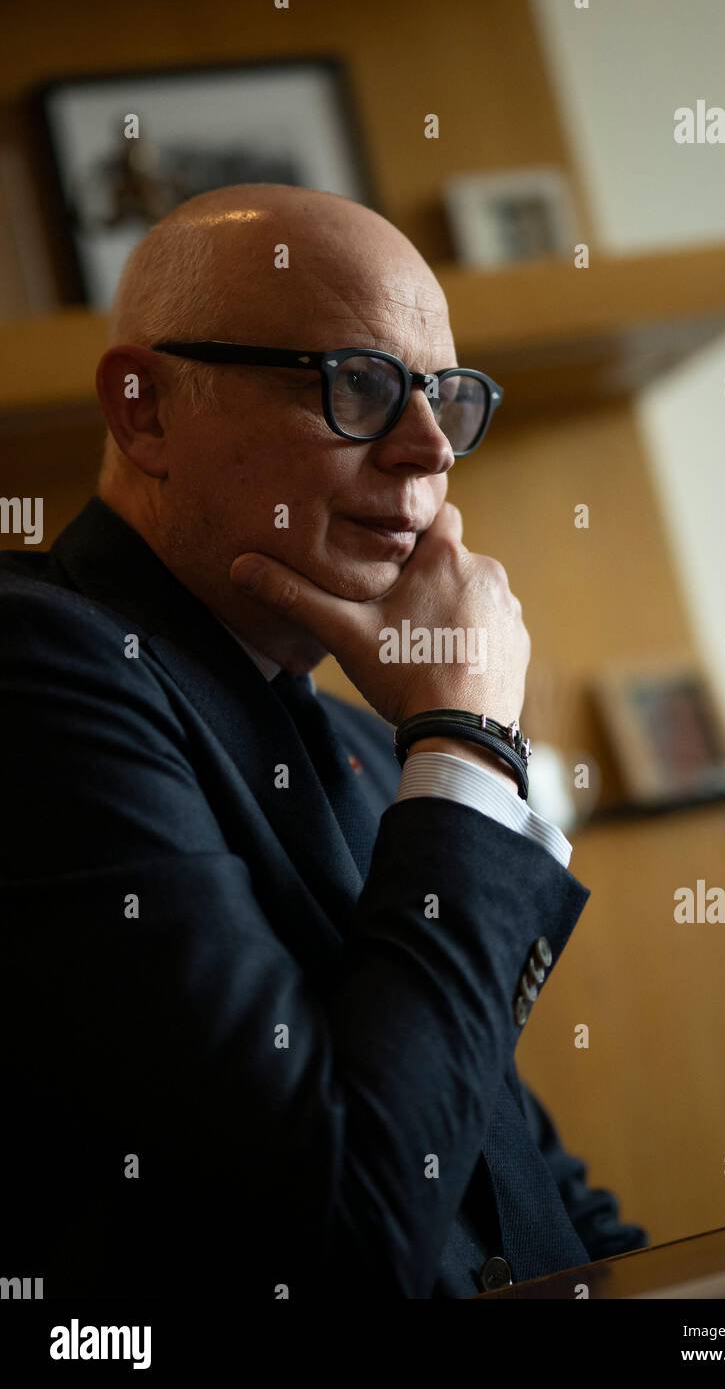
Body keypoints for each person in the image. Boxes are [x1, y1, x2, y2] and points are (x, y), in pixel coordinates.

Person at [0, 184, 647, 1299]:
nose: (427, 449)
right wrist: (472, 745)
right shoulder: (35, 665)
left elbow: (516, 1181)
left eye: (444, 397)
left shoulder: (362, 739)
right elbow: (341, 1233)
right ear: (145, 409)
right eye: (358, 386)